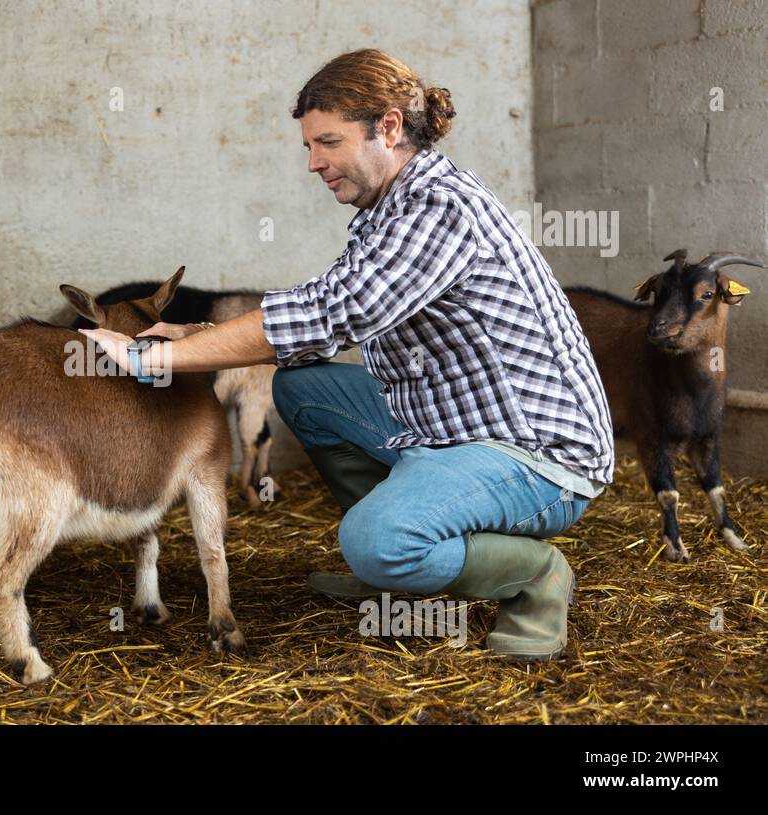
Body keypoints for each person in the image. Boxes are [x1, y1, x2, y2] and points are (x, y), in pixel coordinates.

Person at [81, 48, 615, 661]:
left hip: (538, 456)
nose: (314, 163)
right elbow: (323, 308)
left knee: (378, 540)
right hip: (448, 427)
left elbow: (332, 314)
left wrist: (154, 361)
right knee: (302, 387)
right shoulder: (389, 210)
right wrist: (195, 332)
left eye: (327, 143)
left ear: (388, 127)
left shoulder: (438, 209)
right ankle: (407, 575)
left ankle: (530, 577)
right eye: (309, 146)